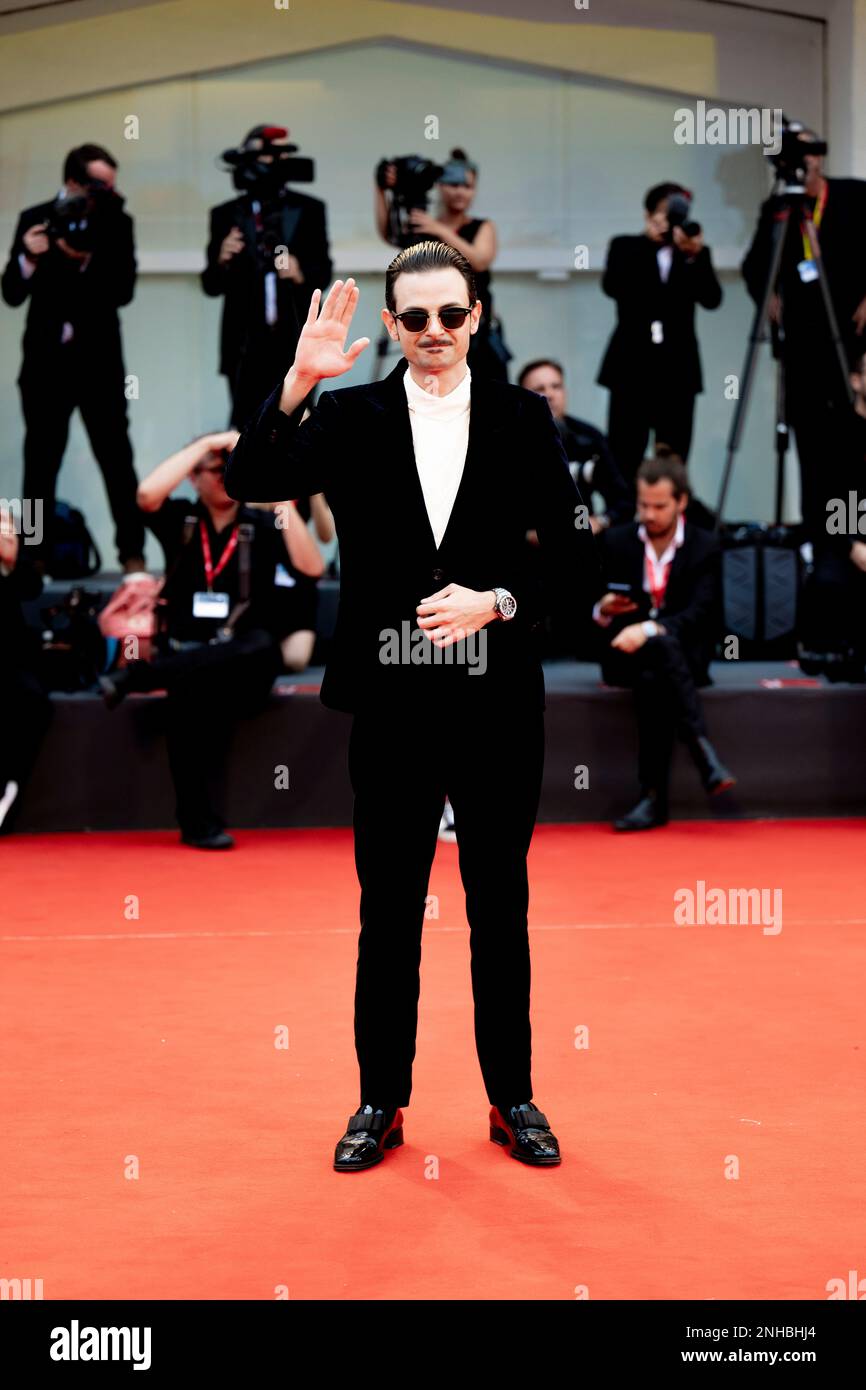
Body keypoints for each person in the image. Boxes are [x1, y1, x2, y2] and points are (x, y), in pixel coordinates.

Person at [225, 242, 600, 1171]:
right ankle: (378, 1101)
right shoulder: (347, 415)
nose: (435, 332)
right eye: (416, 318)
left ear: (478, 318)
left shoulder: (525, 418)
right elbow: (250, 482)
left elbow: (577, 558)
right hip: (390, 703)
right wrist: (295, 383)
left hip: (497, 701)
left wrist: (498, 599)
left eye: (452, 315)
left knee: (498, 906)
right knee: (386, 911)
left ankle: (511, 1098)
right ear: (390, 325)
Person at [99, 430, 324, 848]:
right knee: (188, 699)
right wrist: (206, 445)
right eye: (215, 470)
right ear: (194, 476)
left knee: (260, 645)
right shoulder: (182, 521)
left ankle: (141, 676)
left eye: (231, 470)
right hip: (192, 656)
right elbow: (146, 496)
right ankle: (197, 824)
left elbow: (311, 567)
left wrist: (274, 490)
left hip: (244, 663)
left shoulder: (260, 522)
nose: (224, 477)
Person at [1, 143, 145, 573]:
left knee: (116, 459)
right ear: (72, 182)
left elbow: (123, 291)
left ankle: (132, 553)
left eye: (112, 185)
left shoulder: (117, 223)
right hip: (46, 365)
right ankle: (33, 556)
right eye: (100, 184)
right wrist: (29, 255)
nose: (107, 192)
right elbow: (11, 293)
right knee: (40, 462)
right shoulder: (36, 219)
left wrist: (84, 260)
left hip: (99, 364)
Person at [594, 453, 735, 831]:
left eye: (659, 506)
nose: (649, 514)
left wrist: (650, 630)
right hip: (624, 656)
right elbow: (584, 607)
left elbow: (703, 615)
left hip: (683, 657)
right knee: (655, 659)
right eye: (643, 505)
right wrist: (603, 609)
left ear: (681, 502)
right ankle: (702, 753)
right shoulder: (618, 541)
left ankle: (652, 800)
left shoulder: (705, 546)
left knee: (658, 664)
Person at [742, 126, 866, 542]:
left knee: (853, 444)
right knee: (811, 450)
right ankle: (818, 543)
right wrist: (767, 297)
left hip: (852, 343)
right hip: (803, 350)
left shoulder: (853, 196)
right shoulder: (777, 208)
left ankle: (855, 535)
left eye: (807, 152)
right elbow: (754, 267)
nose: (802, 161)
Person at [202, 124, 333, 428]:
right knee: (246, 431)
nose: (277, 163)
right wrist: (221, 258)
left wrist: (300, 272)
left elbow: (323, 272)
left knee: (300, 430)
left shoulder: (308, 209)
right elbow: (210, 285)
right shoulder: (226, 214)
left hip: (297, 337)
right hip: (244, 345)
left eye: (284, 155)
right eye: (270, 155)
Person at [597, 182, 722, 490]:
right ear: (649, 215)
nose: (670, 223)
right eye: (664, 215)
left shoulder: (692, 252)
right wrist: (647, 245)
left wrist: (693, 255)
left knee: (674, 456)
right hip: (631, 368)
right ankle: (623, 525)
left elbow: (712, 299)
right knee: (624, 455)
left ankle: (672, 525)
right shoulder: (626, 246)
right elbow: (613, 286)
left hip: (678, 371)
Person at [376, 148, 509, 380]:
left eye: (467, 186)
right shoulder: (423, 226)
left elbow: (479, 259)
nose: (460, 192)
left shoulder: (482, 226)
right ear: (439, 185)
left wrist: (438, 229)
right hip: (429, 323)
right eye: (453, 185)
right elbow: (391, 234)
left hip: (473, 328)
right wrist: (381, 190)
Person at [518, 358, 633, 533]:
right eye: (539, 389)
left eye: (556, 386)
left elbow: (623, 501)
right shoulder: (506, 440)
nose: (550, 394)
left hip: (581, 542)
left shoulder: (589, 437)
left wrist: (600, 522)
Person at [0, 508, 53, 833]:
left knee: (31, 700)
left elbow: (31, 587)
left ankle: (7, 788)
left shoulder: (15, 546)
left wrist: (10, 561)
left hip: (9, 658)